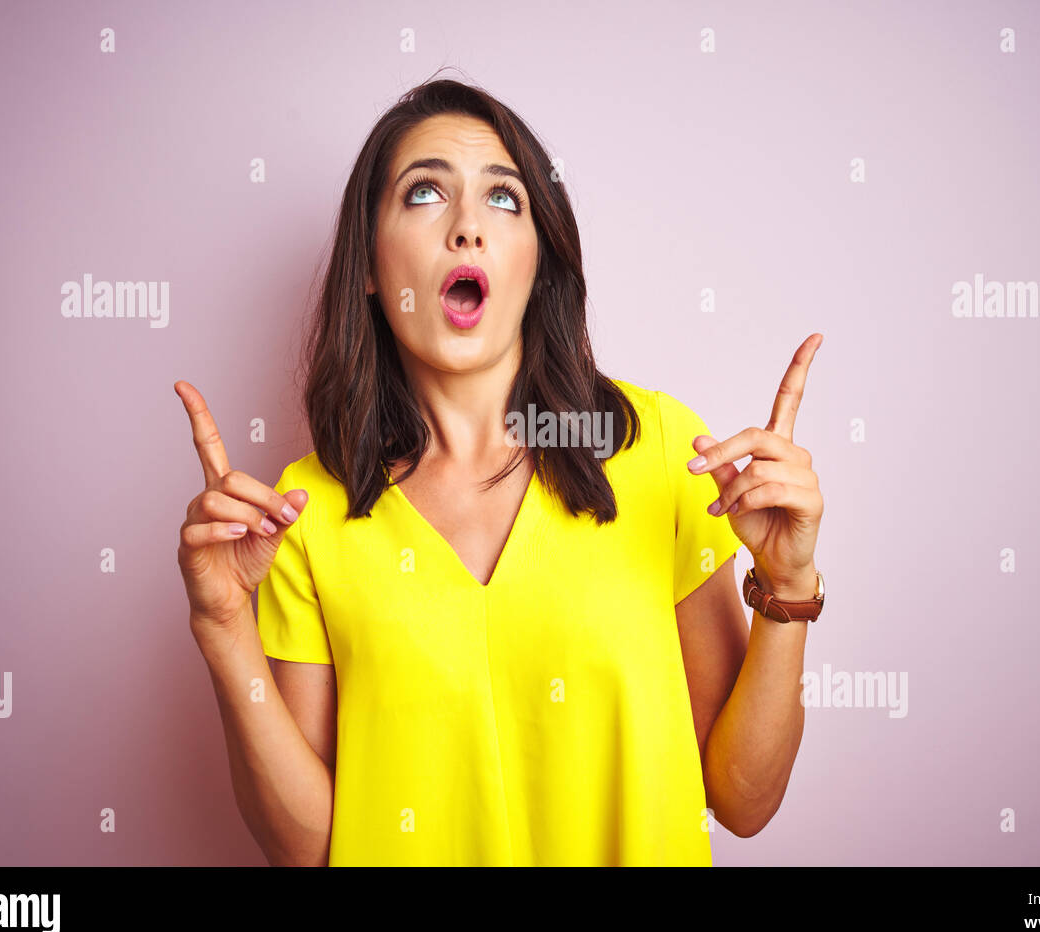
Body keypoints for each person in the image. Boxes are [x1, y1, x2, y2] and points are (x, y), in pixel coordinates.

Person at [175, 74, 826, 866]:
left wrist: (788, 588)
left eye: (504, 199)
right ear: (371, 268)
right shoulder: (303, 514)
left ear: (539, 260)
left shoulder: (656, 449)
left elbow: (744, 798)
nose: (467, 228)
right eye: (423, 194)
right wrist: (222, 629)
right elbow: (308, 847)